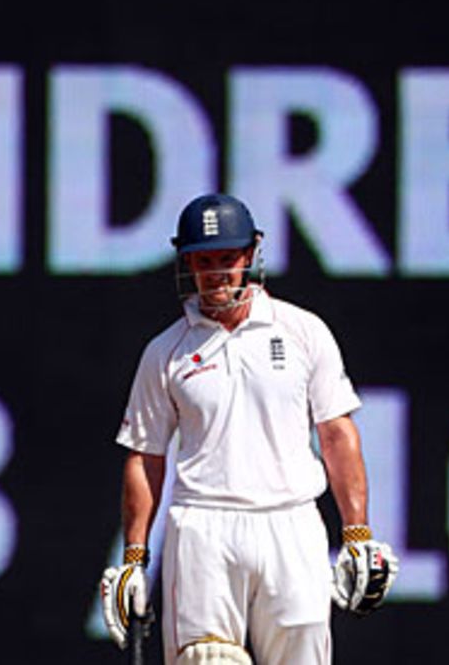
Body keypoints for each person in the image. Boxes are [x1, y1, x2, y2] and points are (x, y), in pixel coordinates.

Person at [99, 192, 398, 664]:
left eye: (226, 258)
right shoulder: (166, 352)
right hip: (203, 526)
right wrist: (134, 557)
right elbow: (146, 456)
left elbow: (337, 435)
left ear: (252, 252)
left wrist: (357, 533)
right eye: (203, 260)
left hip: (291, 520)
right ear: (186, 262)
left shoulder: (303, 332)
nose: (216, 273)